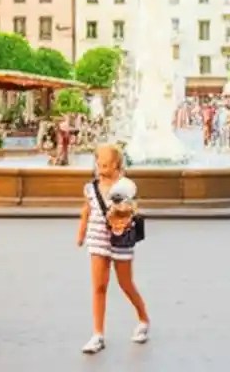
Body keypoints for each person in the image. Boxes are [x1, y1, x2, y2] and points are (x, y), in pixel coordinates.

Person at [77, 144, 149, 353]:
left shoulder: (126, 186)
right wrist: (81, 234)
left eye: (106, 165)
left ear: (117, 164)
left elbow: (131, 210)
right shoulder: (90, 188)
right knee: (99, 287)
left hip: (120, 240)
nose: (100, 168)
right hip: (97, 239)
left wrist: (121, 213)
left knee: (125, 283)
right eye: (98, 164)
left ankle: (143, 318)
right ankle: (97, 334)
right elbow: (86, 210)